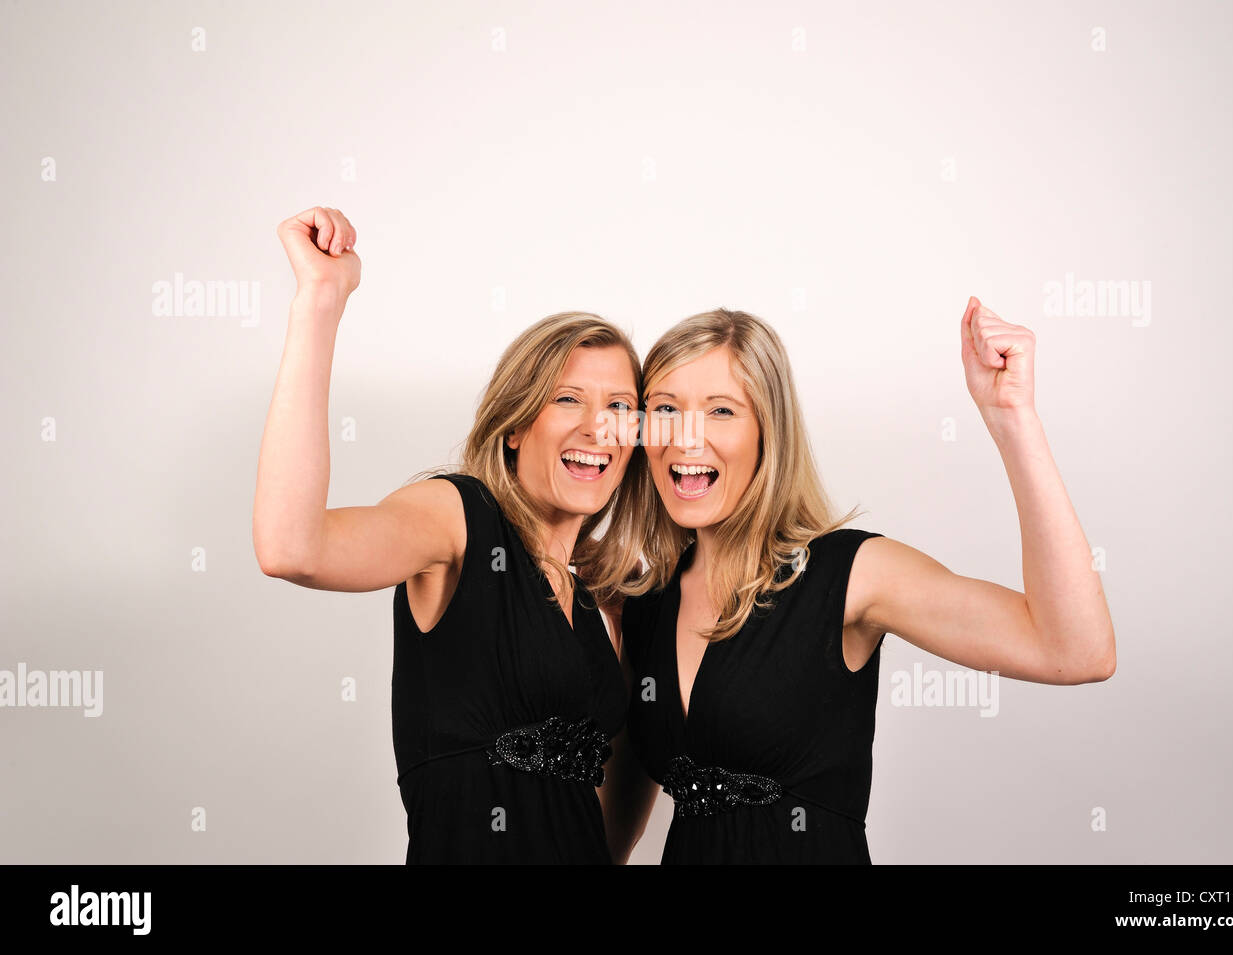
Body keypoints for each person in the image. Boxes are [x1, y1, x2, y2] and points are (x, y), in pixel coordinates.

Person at [603, 303, 1117, 864]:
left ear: (767, 432)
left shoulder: (848, 574)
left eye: (721, 410)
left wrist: (1012, 417)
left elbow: (1077, 650)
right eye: (666, 410)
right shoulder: (645, 606)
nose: (686, 438)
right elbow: (608, 838)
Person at [253, 206, 651, 863]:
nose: (597, 426)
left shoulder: (595, 601)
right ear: (516, 424)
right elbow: (291, 546)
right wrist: (320, 303)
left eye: (620, 407)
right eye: (568, 399)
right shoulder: (457, 516)